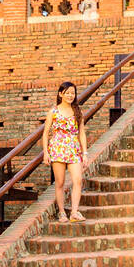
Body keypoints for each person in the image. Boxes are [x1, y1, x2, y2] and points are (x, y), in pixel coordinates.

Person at [41, 81, 88, 223]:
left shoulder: (78, 112)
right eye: (67, 93)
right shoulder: (53, 111)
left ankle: (74, 212)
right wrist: (46, 153)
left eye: (72, 93)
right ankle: (62, 212)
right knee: (60, 182)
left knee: (77, 180)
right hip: (58, 148)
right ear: (60, 94)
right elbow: (45, 133)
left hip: (74, 149)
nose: (70, 96)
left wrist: (85, 153)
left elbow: (82, 134)